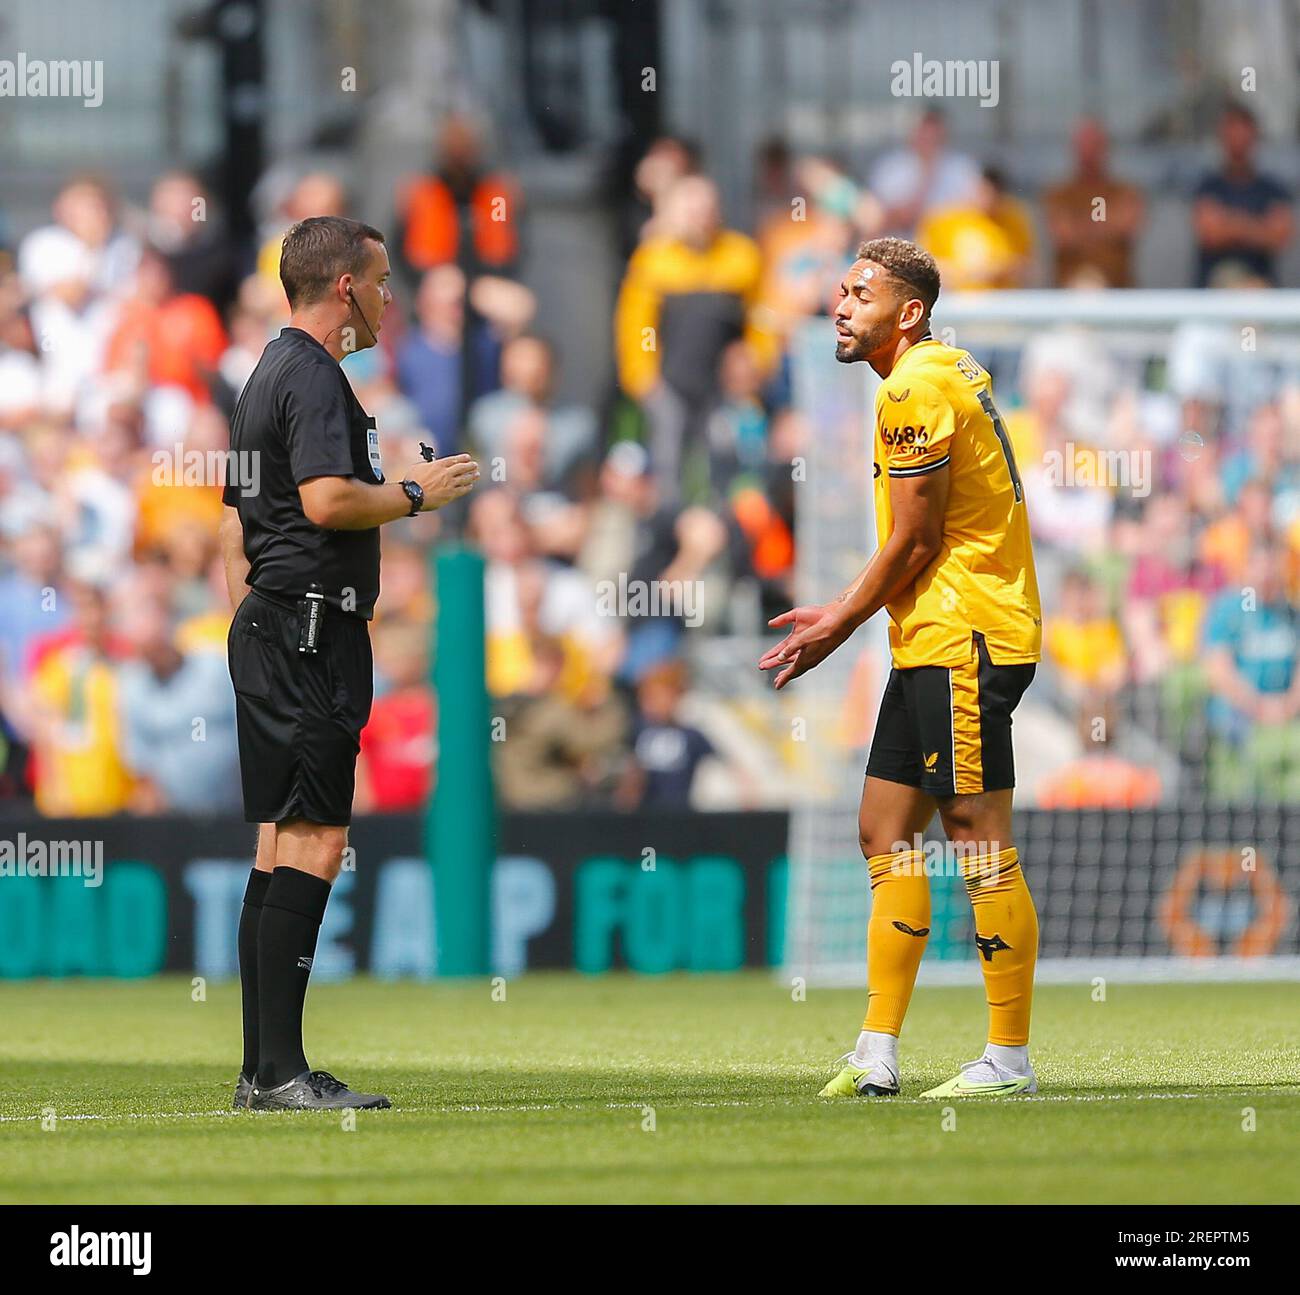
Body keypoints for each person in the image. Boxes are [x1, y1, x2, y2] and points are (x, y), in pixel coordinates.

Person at [760, 238, 1042, 1099]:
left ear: (907, 312)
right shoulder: (944, 371)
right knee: (885, 829)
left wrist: (836, 623)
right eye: (840, 291)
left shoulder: (916, 387)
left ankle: (1008, 1059)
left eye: (860, 293)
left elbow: (916, 539)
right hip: (932, 637)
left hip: (965, 636)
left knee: (974, 833)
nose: (840, 305)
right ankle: (877, 1050)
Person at [220, 215, 479, 1111]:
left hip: (273, 627)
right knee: (318, 840)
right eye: (382, 279)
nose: (389, 296)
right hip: (308, 632)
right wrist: (418, 493)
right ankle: (282, 1072)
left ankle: (262, 1070)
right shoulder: (318, 377)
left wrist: (251, 621)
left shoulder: (265, 373)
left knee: (275, 841)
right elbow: (328, 502)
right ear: (345, 289)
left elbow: (232, 523)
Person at [1192, 103, 1293, 287]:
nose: (1238, 141)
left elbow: (1279, 238)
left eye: (1243, 134)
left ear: (1254, 137)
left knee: (1252, 291)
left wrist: (1229, 224)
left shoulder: (1273, 189)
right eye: (1232, 134)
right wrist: (1258, 228)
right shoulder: (1207, 186)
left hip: (1262, 293)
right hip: (1211, 295)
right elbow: (1210, 234)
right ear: (1221, 138)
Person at [1042, 118, 1145, 288]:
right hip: (1070, 290)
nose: (1088, 152)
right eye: (1083, 146)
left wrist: (1080, 227)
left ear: (1105, 149)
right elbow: (1063, 235)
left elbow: (1127, 225)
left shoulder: (1126, 191)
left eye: (1094, 146)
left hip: (1119, 290)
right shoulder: (1058, 193)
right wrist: (1106, 226)